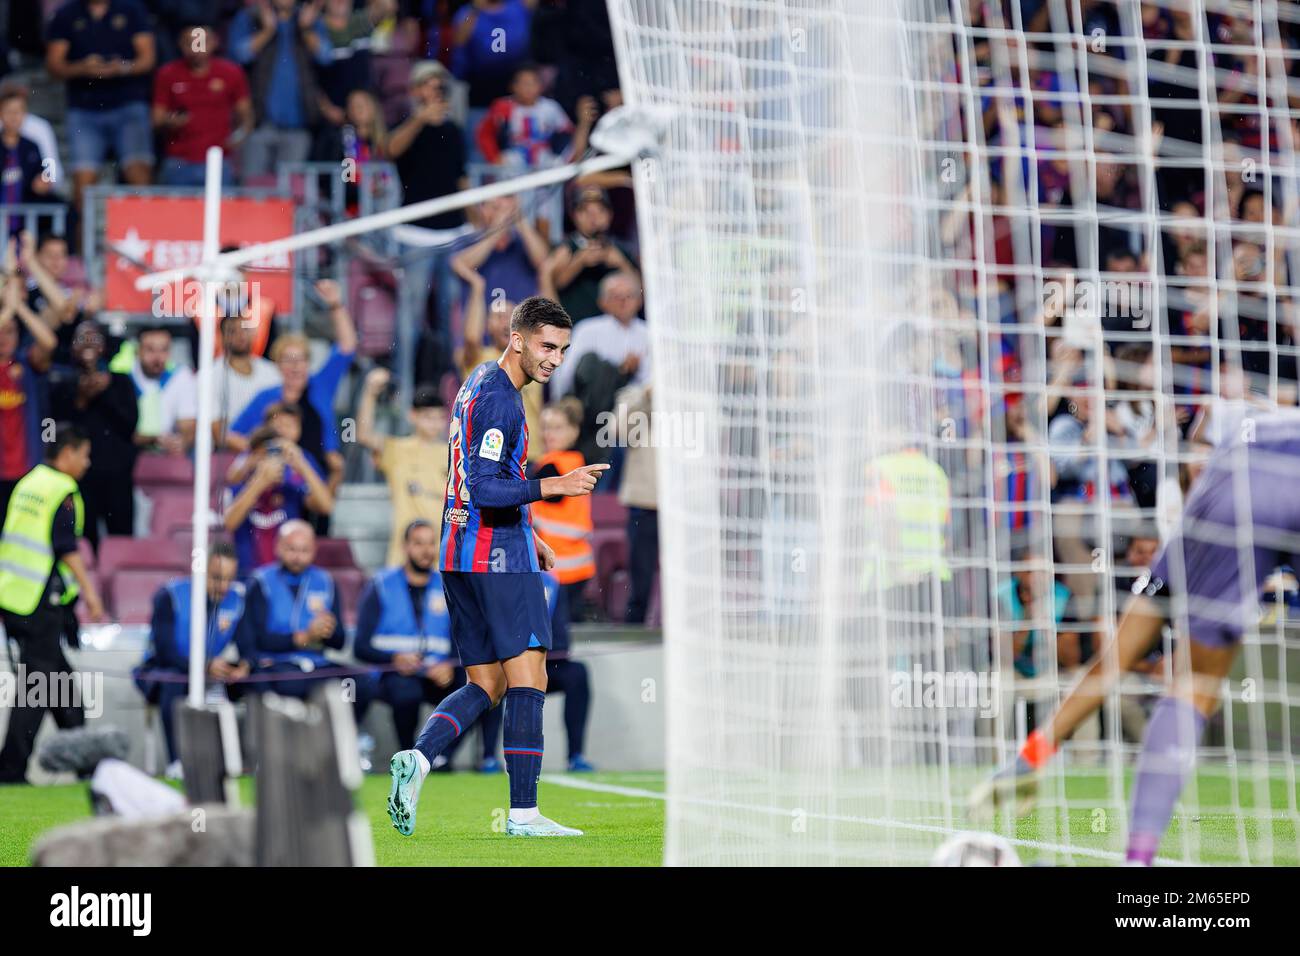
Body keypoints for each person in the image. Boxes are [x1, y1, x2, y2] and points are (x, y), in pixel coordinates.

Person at [972, 411, 1300, 865]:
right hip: (1244, 464)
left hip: (1238, 466)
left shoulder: (1215, 486)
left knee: (1189, 686)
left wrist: (1031, 757)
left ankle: (1135, 858)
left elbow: (1112, 663)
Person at [386, 296, 609, 838]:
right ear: (518, 338)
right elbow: (486, 487)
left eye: (563, 349)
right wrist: (552, 486)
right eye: (546, 345)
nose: (555, 359)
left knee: (486, 681)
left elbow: (473, 474)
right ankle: (524, 814)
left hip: (459, 550)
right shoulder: (503, 400)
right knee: (529, 672)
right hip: (494, 553)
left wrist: (529, 530)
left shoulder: (477, 381)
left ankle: (419, 758)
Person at [0, 424, 105, 783]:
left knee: (60, 684)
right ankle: (10, 769)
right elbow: (66, 547)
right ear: (67, 454)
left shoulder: (28, 483)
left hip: (13, 596)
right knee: (37, 687)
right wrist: (91, 594)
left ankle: (88, 765)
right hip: (40, 601)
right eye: (84, 454)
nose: (87, 463)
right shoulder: (63, 489)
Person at [353, 519, 486, 768]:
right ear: (405, 547)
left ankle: (442, 758)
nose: (425, 551)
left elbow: (465, 639)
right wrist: (394, 659)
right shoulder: (381, 584)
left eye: (430, 544)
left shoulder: (449, 585)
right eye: (418, 543)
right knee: (406, 691)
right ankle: (410, 757)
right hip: (394, 673)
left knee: (482, 687)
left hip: (437, 673)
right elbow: (360, 647)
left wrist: (448, 664)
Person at [229, 280, 355, 531]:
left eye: (301, 360)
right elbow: (232, 434)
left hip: (314, 479)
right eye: (288, 359)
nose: (295, 366)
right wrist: (258, 450)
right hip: (278, 484)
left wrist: (336, 305)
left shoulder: (320, 387)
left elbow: (347, 347)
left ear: (309, 363)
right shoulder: (266, 397)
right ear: (277, 365)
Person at [134, 540, 252, 775]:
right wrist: (204, 667)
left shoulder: (237, 600)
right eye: (217, 577)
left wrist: (245, 665)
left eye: (229, 578)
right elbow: (165, 651)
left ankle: (248, 763)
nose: (224, 586)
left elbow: (247, 643)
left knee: (259, 681)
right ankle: (178, 762)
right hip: (159, 669)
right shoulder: (170, 596)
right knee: (174, 684)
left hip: (208, 671)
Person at [478, 570, 597, 771]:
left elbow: (561, 640)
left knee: (577, 673)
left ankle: (575, 756)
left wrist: (532, 652)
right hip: (506, 664)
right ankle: (488, 757)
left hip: (543, 663)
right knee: (492, 679)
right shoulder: (495, 581)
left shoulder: (552, 584)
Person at [45, 0, 156, 210]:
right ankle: (80, 243)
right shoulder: (66, 13)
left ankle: (143, 239)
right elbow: (54, 65)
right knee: (82, 187)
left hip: (128, 103)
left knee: (139, 177)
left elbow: (148, 58)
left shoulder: (131, 8)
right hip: (85, 108)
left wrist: (121, 68)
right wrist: (83, 68)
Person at [47, 320, 138, 552]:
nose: (88, 343)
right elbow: (52, 427)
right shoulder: (62, 384)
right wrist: (81, 399)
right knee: (83, 539)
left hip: (117, 478)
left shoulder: (120, 381)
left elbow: (130, 425)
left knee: (121, 539)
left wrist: (105, 393)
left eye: (94, 338)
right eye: (81, 338)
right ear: (72, 347)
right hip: (79, 479)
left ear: (104, 347)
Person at [243, 519, 353, 701]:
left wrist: (329, 631)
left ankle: (346, 729)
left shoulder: (326, 581)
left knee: (356, 686)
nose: (297, 557)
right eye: (291, 549)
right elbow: (257, 640)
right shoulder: (260, 582)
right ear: (278, 547)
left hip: (317, 663)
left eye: (304, 551)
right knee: (292, 684)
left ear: (314, 551)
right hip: (276, 663)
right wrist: (304, 637)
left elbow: (340, 642)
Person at [222, 404, 334, 575]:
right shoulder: (244, 477)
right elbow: (229, 523)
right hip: (247, 575)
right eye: (268, 452)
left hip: (285, 575)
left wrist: (302, 465)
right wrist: (259, 482)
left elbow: (326, 506)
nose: (272, 460)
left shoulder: (292, 481)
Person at [228, 0, 333, 180]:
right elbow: (238, 56)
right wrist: (267, 31)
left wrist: (306, 29)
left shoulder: (309, 18)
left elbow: (325, 56)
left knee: (288, 195)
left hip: (298, 126)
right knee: (253, 191)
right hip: (258, 124)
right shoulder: (252, 16)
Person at [355, 369, 448, 567]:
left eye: (439, 417)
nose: (434, 423)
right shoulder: (397, 450)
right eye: (427, 416)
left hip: (440, 554)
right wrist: (370, 393)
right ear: (412, 416)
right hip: (402, 555)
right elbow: (363, 435)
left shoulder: (453, 453)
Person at [151, 24, 253, 187]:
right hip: (179, 160)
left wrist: (236, 139)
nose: (196, 47)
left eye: (202, 41)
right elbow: (157, 118)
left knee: (221, 210)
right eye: (190, 42)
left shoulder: (231, 72)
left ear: (214, 42)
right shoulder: (168, 74)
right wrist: (171, 121)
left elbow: (246, 115)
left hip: (219, 160)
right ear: (181, 45)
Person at [529, 398, 595, 620]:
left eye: (558, 428)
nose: (550, 434)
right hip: (575, 566)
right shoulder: (576, 461)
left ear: (574, 432)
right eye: (546, 427)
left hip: (560, 568)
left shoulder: (553, 466)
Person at [0, 262, 57, 519]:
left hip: (26, 470)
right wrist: (7, 309)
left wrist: (17, 307)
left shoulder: (26, 363)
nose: (4, 338)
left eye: (10, 332)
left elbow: (49, 341)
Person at [541, 185, 639, 325]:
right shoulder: (565, 249)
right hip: (576, 328)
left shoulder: (620, 249)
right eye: (585, 211)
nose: (593, 217)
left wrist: (621, 264)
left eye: (600, 211)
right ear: (574, 216)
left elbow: (639, 291)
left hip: (617, 329)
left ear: (609, 215)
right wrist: (579, 262)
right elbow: (550, 284)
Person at [115, 325, 198, 456]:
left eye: (164, 350)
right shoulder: (121, 376)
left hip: (167, 457)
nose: (157, 357)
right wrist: (153, 439)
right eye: (150, 350)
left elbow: (188, 424)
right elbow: (119, 432)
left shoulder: (181, 376)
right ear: (138, 351)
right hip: (126, 453)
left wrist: (182, 442)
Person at [212, 311, 283, 448]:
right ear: (222, 337)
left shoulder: (272, 371)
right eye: (233, 331)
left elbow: (281, 417)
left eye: (245, 329)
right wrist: (252, 451)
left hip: (270, 448)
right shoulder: (210, 376)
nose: (241, 335)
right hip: (228, 454)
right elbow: (218, 432)